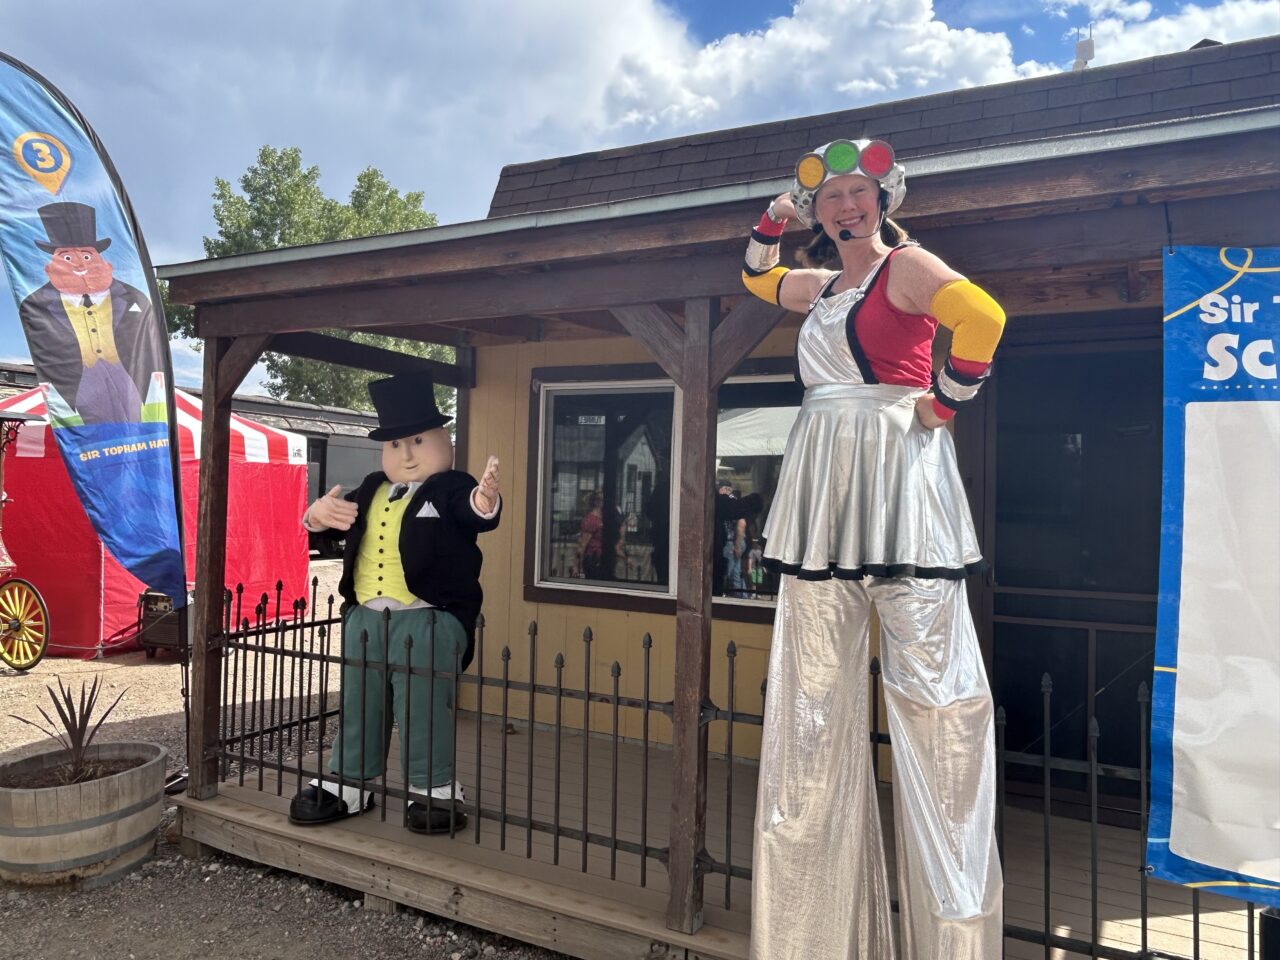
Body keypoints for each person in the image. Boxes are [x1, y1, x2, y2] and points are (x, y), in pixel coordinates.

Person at [741, 138, 1006, 959]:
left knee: (936, 702)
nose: (845, 206)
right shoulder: (823, 287)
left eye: (859, 192)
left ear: (885, 198)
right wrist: (768, 219)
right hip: (830, 479)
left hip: (897, 479)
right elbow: (756, 278)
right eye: (830, 198)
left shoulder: (908, 267)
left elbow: (984, 319)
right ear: (817, 211)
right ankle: (809, 936)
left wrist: (946, 401)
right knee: (810, 706)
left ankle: (954, 941)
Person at [289, 370, 501, 835]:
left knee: (422, 703)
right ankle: (349, 780)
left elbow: (474, 512)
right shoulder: (370, 487)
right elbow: (330, 521)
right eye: (396, 444)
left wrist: (485, 499)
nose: (406, 454)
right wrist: (315, 515)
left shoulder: (449, 488)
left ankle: (433, 789)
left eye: (419, 441)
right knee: (360, 699)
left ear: (442, 441)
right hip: (365, 615)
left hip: (425, 618)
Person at [18, 202, 164, 424]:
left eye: (86, 256)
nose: (79, 265)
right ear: (49, 269)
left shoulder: (135, 299)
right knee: (88, 438)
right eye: (66, 258)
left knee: (134, 429)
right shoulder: (36, 305)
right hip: (75, 382)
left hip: (128, 376)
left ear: (107, 264)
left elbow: (149, 345)